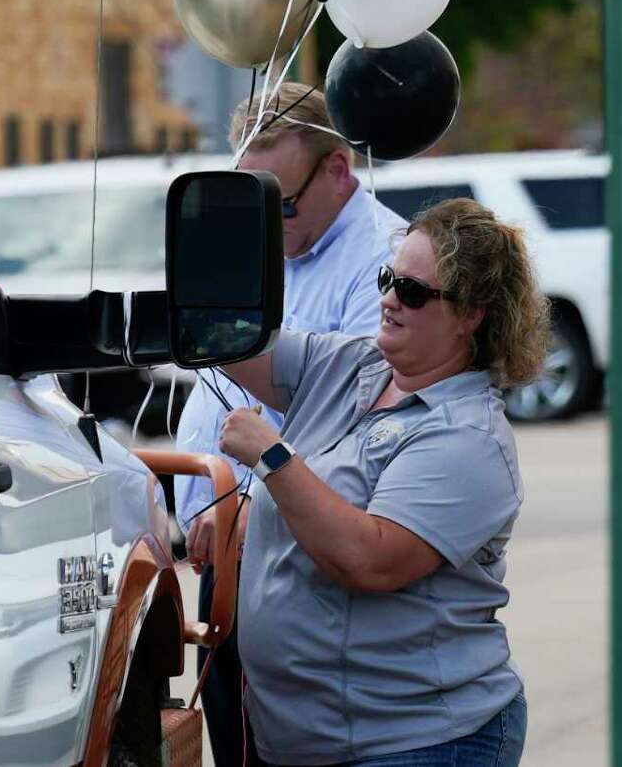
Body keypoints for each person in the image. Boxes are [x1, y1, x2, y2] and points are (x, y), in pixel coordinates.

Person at [216, 197, 546, 766]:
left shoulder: (468, 437)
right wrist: (202, 273)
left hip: (418, 743)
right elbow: (229, 341)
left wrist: (273, 458)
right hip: (305, 741)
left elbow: (372, 560)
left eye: (413, 292)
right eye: (388, 279)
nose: (390, 299)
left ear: (471, 315)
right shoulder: (353, 364)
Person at [174, 83, 405, 767]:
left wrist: (252, 502)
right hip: (226, 558)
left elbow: (356, 421)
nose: (268, 223)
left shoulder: (384, 263)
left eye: (281, 203)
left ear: (337, 168)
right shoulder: (270, 244)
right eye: (254, 201)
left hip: (294, 569)